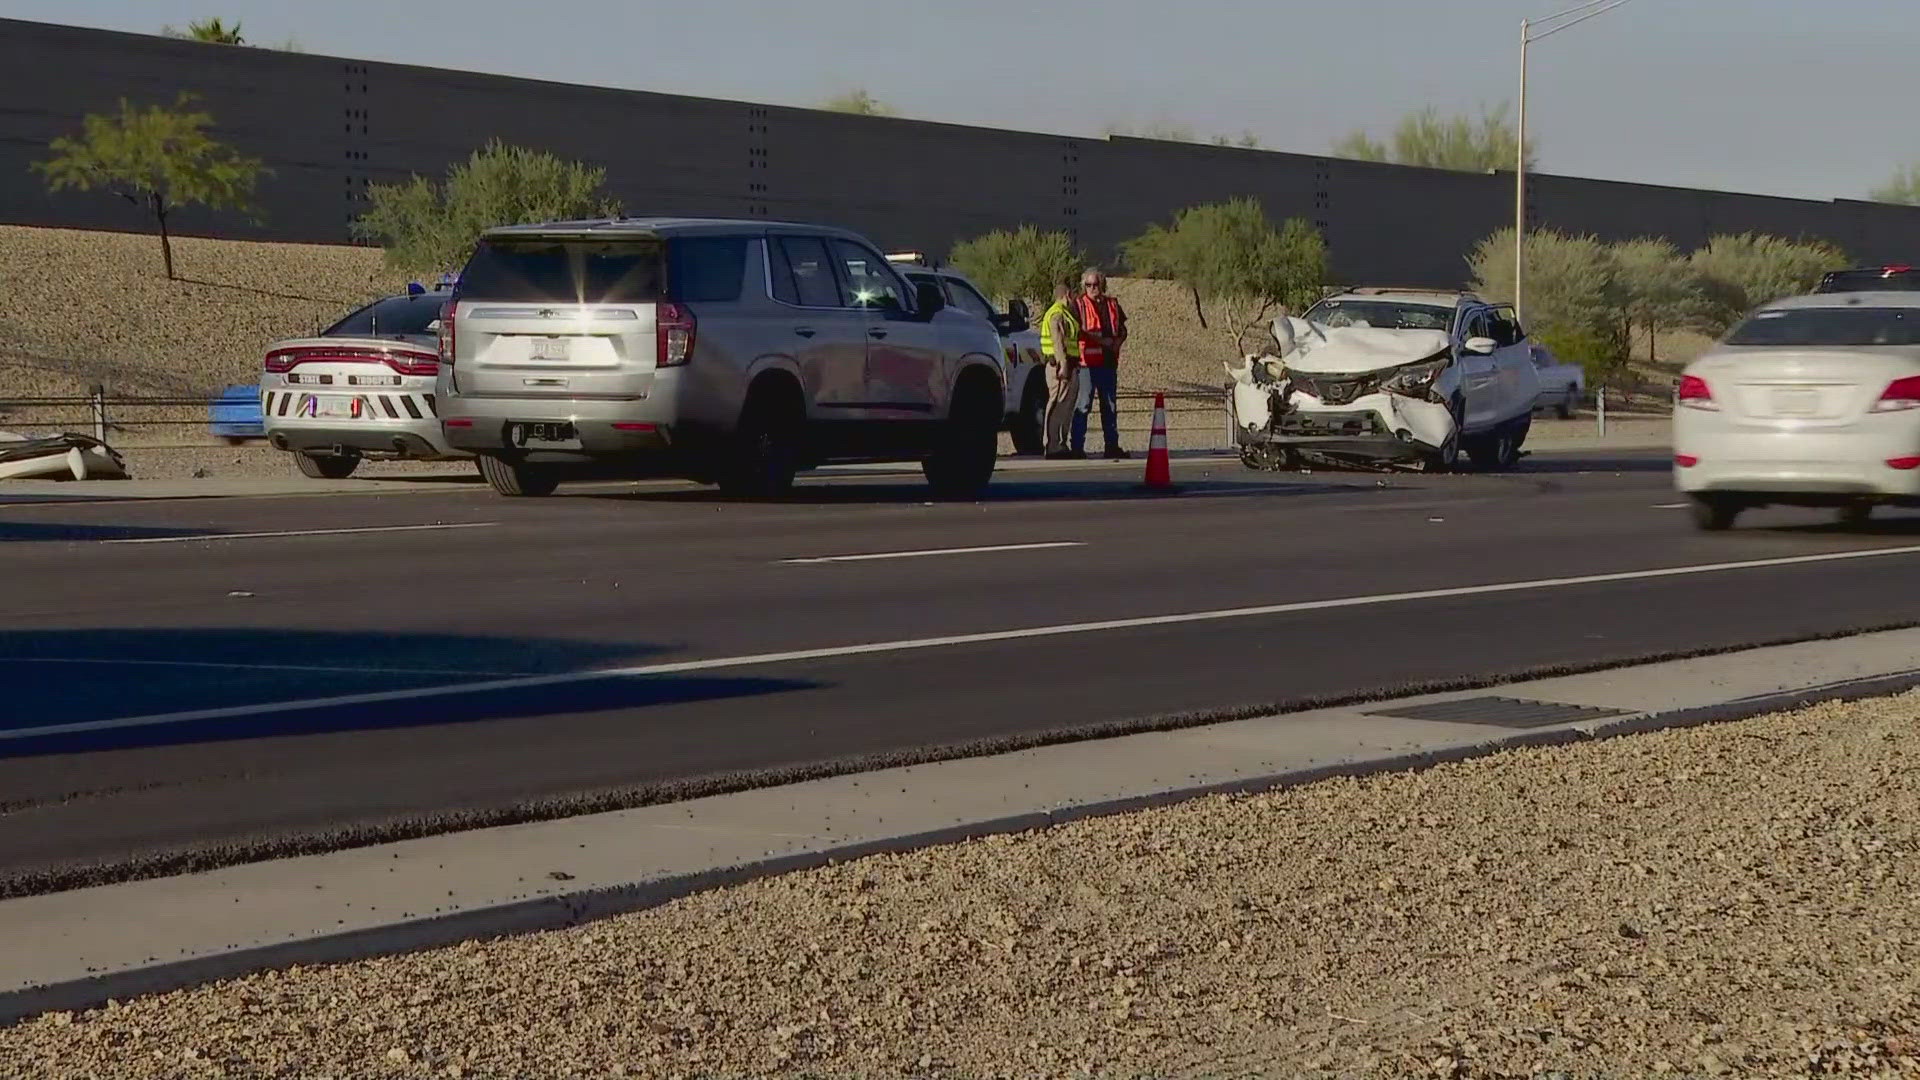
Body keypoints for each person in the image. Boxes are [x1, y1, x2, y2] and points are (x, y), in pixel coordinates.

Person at [1073, 267, 1129, 459]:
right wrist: (1102, 341)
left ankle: (1112, 446)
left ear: (1102, 285)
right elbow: (1079, 331)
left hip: (1108, 362)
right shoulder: (1079, 305)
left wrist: (1117, 342)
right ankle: (1077, 447)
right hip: (1087, 364)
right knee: (1084, 404)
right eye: (1088, 285)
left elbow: (1122, 328)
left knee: (1110, 405)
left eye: (1095, 284)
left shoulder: (1112, 304)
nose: (1092, 288)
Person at [1038, 278, 1085, 460]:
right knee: (1057, 405)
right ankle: (1052, 445)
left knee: (1067, 407)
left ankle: (1061, 444)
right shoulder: (1056, 314)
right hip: (1059, 367)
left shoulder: (1066, 314)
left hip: (1071, 366)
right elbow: (1058, 343)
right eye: (1072, 295)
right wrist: (1064, 365)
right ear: (1066, 295)